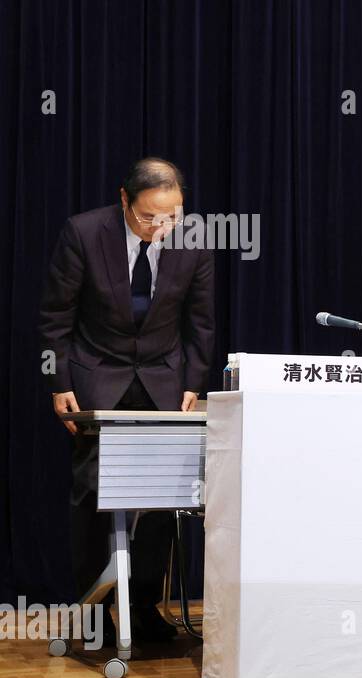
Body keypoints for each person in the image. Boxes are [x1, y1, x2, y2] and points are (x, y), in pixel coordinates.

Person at [38, 157, 215, 642]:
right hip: (98, 377)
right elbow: (56, 318)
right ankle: (93, 613)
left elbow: (200, 322)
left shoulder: (193, 239)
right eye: (150, 217)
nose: (162, 227)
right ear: (124, 200)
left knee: (160, 502)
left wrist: (193, 383)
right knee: (96, 496)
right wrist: (59, 384)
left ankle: (144, 608)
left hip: (164, 382)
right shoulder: (84, 233)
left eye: (173, 216)